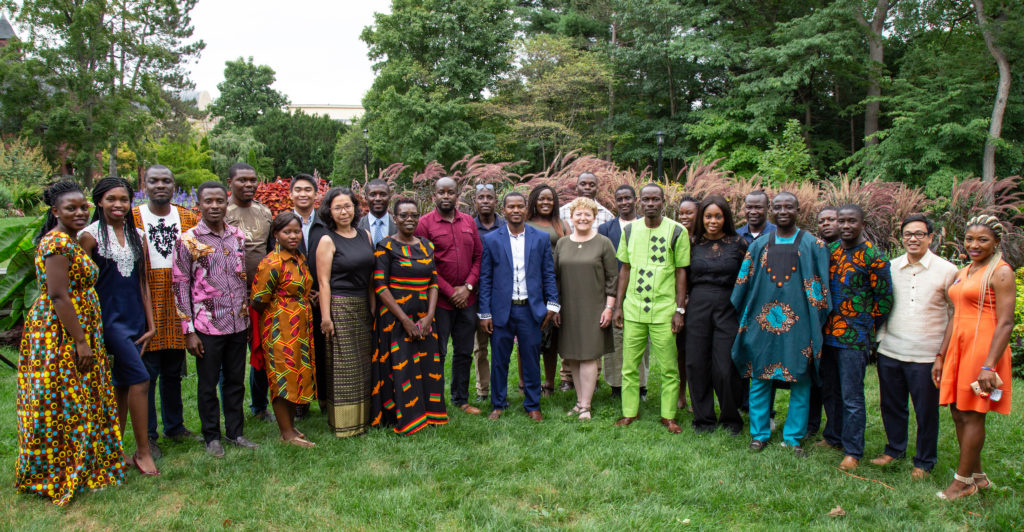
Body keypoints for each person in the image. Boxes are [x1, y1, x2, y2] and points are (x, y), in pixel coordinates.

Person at [16, 180, 126, 506]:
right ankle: (60, 469)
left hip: (78, 329)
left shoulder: (71, 240)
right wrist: (80, 341)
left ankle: (87, 462)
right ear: (55, 211)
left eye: (83, 207)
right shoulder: (56, 244)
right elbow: (58, 295)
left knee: (81, 396)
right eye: (71, 208)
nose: (80, 212)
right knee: (64, 400)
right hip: (60, 334)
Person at [731, 192, 832, 456]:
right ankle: (759, 433)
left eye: (789, 206)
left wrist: (816, 321)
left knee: (801, 378)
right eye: (778, 207)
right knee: (760, 376)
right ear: (771, 211)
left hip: (801, 325)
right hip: (761, 323)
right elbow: (742, 286)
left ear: (799, 210)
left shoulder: (814, 245)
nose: (783, 211)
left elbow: (821, 290)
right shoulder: (758, 246)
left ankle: (793, 436)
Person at [172, 181, 259, 458]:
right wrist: (188, 331)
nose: (214, 206)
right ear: (198, 204)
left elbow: (241, 279)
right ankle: (212, 436)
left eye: (219, 201)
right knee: (208, 384)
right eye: (208, 201)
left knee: (235, 382)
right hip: (207, 325)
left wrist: (246, 317)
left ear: (226, 202)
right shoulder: (188, 240)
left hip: (237, 322)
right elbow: (180, 286)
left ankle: (235, 432)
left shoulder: (237, 236)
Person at [78, 177, 158, 476]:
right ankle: (143, 451)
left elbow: (143, 281)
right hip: (107, 320)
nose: (118, 204)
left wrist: (151, 324)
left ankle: (112, 450)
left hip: (135, 317)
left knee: (123, 385)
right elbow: (80, 284)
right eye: (111, 199)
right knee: (140, 378)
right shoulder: (89, 236)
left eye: (124, 199)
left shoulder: (138, 235)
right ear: (99, 201)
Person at [934, 215, 1014, 500]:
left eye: (983, 240)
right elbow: (956, 315)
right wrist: (941, 355)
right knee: (958, 412)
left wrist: (989, 365)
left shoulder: (1001, 272)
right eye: (969, 239)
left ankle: (962, 482)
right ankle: (977, 477)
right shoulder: (965, 270)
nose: (974, 245)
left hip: (983, 350)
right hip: (959, 347)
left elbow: (1006, 322)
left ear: (996, 242)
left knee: (972, 413)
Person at [870, 214, 956, 479]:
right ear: (902, 238)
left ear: (931, 237)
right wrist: (880, 339)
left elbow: (954, 314)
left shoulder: (947, 270)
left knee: (926, 411)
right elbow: (883, 304)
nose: (913, 239)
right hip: (891, 350)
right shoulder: (891, 267)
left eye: (919, 234)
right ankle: (894, 449)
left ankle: (924, 461)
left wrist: (942, 354)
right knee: (891, 405)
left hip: (927, 354)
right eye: (908, 234)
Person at [132, 165, 201, 456]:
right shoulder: (132, 217)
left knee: (173, 369)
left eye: (166, 181)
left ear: (174, 185)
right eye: (154, 181)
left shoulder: (187, 218)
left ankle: (175, 426)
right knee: (147, 372)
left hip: (177, 300)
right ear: (144, 185)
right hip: (144, 299)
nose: (160, 185)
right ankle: (148, 435)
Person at [819, 204, 893, 470]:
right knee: (830, 390)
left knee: (852, 396)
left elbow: (884, 300)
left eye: (852, 221)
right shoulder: (831, 251)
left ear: (863, 224)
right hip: (827, 333)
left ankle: (853, 451)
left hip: (854, 337)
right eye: (842, 221)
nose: (846, 226)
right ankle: (833, 437)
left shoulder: (874, 257)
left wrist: (865, 326)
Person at [612, 183, 689, 434]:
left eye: (655, 199)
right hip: (634, 309)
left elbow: (680, 272)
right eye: (646, 199)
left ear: (663, 202)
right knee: (629, 365)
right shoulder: (630, 231)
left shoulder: (677, 231)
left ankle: (668, 415)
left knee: (669, 367)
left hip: (664, 310)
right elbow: (625, 269)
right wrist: (619, 306)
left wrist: (679, 310)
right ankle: (629, 411)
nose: (650, 204)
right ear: (640, 202)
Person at [478, 192, 560, 421]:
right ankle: (498, 403)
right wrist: (485, 313)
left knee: (531, 358)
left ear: (526, 209)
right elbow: (485, 278)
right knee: (499, 360)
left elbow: (548, 273)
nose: (515, 210)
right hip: (501, 310)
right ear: (503, 210)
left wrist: (552, 304)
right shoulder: (492, 239)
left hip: (530, 309)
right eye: (511, 206)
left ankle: (533, 404)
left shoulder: (540, 238)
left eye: (520, 206)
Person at [370, 199, 450, 433]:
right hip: (395, 318)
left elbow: (433, 282)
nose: (409, 219)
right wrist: (404, 320)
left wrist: (430, 316)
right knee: (402, 365)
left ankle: (430, 413)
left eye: (414, 215)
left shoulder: (426, 246)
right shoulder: (385, 247)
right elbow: (380, 286)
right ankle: (405, 415)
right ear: (394, 218)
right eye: (403, 215)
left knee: (427, 365)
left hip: (424, 317)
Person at [415, 177, 484, 415]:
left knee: (464, 352)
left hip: (467, 300)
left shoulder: (468, 222)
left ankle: (460, 399)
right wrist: (450, 291)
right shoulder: (424, 224)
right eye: (441, 192)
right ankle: (434, 400)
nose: (446, 196)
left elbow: (478, 256)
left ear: (458, 195)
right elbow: (426, 264)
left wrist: (468, 286)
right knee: (438, 352)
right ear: (434, 195)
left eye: (450, 192)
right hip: (440, 302)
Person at [252, 212, 317, 447]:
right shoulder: (272, 262)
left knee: (295, 375)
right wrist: (282, 310)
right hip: (280, 327)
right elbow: (258, 300)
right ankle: (286, 433)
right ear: (275, 234)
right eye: (287, 232)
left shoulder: (298, 258)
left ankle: (289, 426)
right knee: (282, 376)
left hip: (300, 326)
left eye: (296, 231)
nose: (293, 236)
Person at [315, 187, 376, 437]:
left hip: (363, 306)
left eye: (348, 206)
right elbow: (323, 283)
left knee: (363, 365)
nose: (344, 212)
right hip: (340, 307)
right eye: (338, 207)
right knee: (344, 367)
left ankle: (364, 419)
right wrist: (326, 317)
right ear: (329, 211)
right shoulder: (327, 240)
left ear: (355, 208)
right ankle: (345, 424)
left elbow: (371, 277)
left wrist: (373, 307)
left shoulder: (365, 236)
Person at [685, 195, 746, 435]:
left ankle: (730, 418)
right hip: (698, 306)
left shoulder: (738, 243)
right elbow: (682, 276)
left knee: (725, 366)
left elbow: (747, 278)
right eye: (708, 216)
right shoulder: (692, 243)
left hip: (727, 307)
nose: (713, 221)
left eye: (718, 216)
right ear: (701, 218)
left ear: (725, 218)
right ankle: (703, 419)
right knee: (696, 363)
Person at [554, 197, 618, 420]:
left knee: (589, 355)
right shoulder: (562, 244)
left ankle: (586, 406)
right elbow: (555, 277)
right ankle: (579, 402)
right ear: (571, 218)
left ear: (594, 218)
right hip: (568, 307)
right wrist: (556, 308)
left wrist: (609, 308)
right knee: (572, 355)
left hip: (594, 308)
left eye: (587, 214)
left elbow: (613, 278)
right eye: (578, 214)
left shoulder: (603, 243)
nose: (582, 218)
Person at [224, 162, 275, 423]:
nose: (248, 184)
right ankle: (230, 410)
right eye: (242, 180)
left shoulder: (264, 212)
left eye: (252, 180)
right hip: (229, 295)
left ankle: (259, 405)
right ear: (230, 182)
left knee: (262, 351)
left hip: (260, 296)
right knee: (231, 357)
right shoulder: (222, 211)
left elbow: (271, 250)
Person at [599, 185, 649, 400]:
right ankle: (616, 385)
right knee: (615, 340)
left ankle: (641, 386)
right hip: (613, 291)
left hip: (641, 290)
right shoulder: (605, 229)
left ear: (635, 200)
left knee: (641, 342)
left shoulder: (646, 225)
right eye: (619, 199)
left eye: (627, 198)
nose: (624, 202)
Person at [288, 173, 328, 419]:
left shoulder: (325, 223)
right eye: (298, 190)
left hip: (322, 297)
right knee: (297, 351)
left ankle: (324, 397)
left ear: (316, 194)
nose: (303, 194)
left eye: (308, 190)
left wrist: (322, 291)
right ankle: (300, 401)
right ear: (291, 194)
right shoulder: (283, 223)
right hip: (293, 300)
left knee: (323, 350)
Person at [526, 184, 569, 394]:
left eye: (549, 199)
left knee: (552, 337)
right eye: (541, 198)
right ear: (534, 200)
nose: (545, 202)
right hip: (531, 287)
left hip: (556, 286)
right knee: (527, 337)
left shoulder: (561, 225)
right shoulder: (525, 224)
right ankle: (525, 382)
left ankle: (550, 383)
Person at [805, 205, 839, 438]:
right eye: (821, 220)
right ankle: (810, 424)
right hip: (814, 322)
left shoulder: (847, 251)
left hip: (842, 328)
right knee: (813, 377)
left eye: (831, 219)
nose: (826, 224)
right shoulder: (813, 248)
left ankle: (835, 429)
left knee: (834, 382)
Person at [472, 183, 506, 403]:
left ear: (496, 200)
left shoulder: (505, 226)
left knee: (501, 345)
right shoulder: (469, 226)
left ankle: (500, 388)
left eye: (489, 197)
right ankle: (483, 389)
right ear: (475, 201)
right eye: (481, 197)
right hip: (477, 293)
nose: (485, 201)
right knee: (480, 346)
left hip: (502, 293)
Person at [674, 195, 700, 410]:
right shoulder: (675, 237)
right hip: (677, 300)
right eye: (681, 213)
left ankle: (696, 395)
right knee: (680, 352)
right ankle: (680, 393)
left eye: (689, 213)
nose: (684, 217)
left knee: (697, 352)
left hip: (700, 300)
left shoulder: (703, 240)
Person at [358, 178, 398, 247]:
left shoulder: (399, 226)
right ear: (365, 197)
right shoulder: (357, 226)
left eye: (383, 195)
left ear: (389, 196)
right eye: (373, 195)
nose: (378, 198)